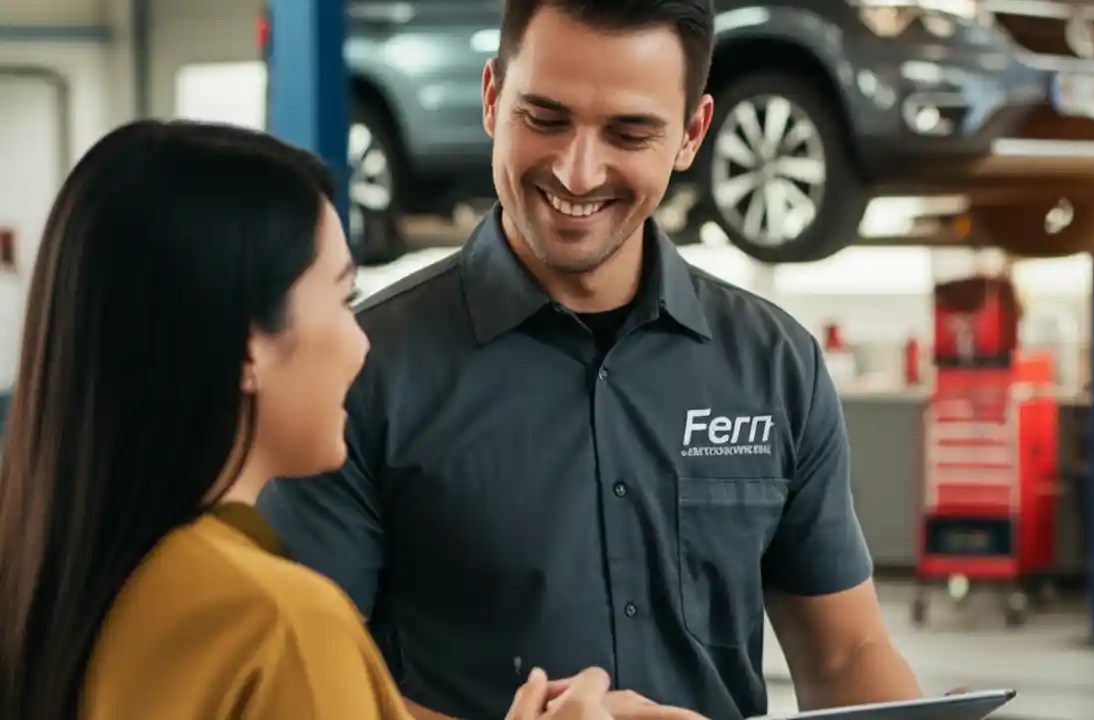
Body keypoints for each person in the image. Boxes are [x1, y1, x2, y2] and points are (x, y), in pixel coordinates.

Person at [258, 0, 924, 718]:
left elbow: (845, 653)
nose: (577, 173)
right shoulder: (358, 372)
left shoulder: (774, 364)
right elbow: (305, 689)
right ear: (491, 99)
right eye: (544, 120)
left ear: (692, 134)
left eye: (629, 132)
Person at [0, 119, 613, 720]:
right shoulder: (280, 624)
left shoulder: (58, 580)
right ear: (248, 345)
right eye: (342, 298)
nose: (361, 344)